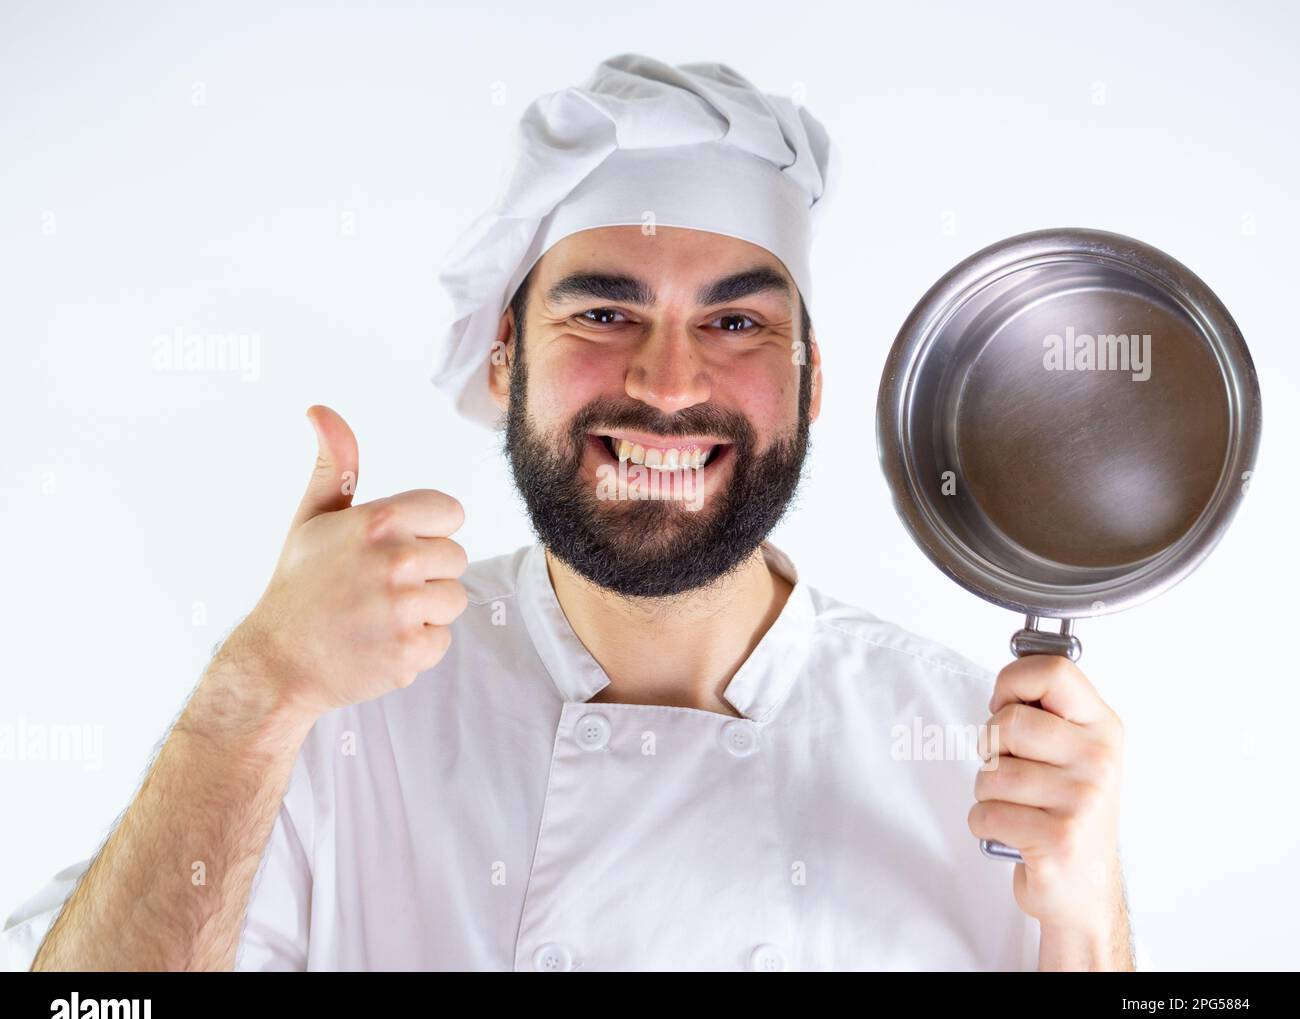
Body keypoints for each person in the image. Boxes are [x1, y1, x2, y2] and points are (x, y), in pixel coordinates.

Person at [4, 53, 1136, 972]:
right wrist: (253, 691)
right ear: (504, 360)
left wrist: (1088, 928)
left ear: (812, 381)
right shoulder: (336, 720)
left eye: (737, 325)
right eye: (602, 311)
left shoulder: (969, 750)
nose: (666, 382)